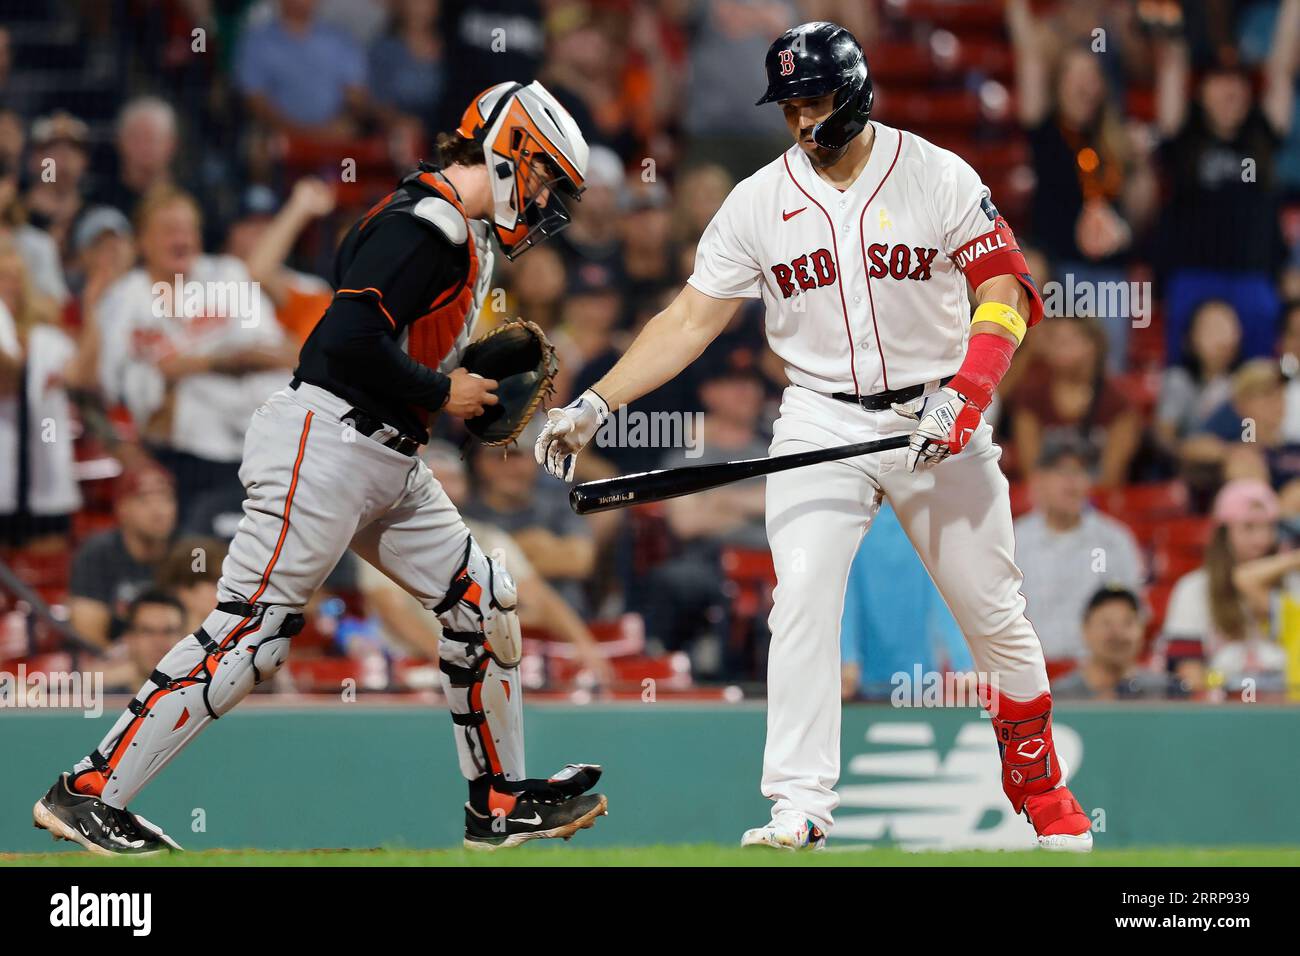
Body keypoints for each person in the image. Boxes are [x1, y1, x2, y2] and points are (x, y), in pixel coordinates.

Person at [536, 22, 1094, 851]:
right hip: (820, 414)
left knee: (995, 614)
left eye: (816, 99)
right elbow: (690, 316)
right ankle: (799, 802)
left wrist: (967, 395)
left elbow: (1006, 289)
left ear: (858, 90)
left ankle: (1039, 782)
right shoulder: (759, 200)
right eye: (791, 103)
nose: (802, 118)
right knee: (799, 596)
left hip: (937, 407)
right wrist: (597, 403)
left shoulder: (936, 173)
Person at [32, 81, 607, 855]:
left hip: (385, 455)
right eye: (541, 177)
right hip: (327, 441)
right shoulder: (429, 222)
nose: (542, 200)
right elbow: (343, 340)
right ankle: (88, 792)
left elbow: (380, 337)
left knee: (484, 600)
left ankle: (498, 802)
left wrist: (447, 384)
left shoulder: (449, 225)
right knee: (253, 630)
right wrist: (444, 387)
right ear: (509, 151)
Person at [359, 443, 613, 685]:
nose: (444, 487)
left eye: (453, 479)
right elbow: (391, 610)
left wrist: (585, 647)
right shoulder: (387, 538)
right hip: (408, 668)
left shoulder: (489, 538)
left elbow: (539, 597)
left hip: (477, 669)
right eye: (435, 479)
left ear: (466, 487)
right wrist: (445, 659)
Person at [1013, 437, 1145, 661]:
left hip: (1095, 673)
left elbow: (1133, 611)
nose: (1072, 482)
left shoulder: (1114, 540)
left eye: (1080, 472)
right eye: (1062, 472)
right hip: (1027, 668)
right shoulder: (1013, 540)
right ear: (1039, 481)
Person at [1158, 479, 1291, 696]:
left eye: (1269, 527)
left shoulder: (1292, 584)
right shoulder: (1194, 588)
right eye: (1248, 527)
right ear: (1223, 533)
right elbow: (1188, 673)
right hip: (1221, 709)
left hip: (1287, 707)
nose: (1262, 539)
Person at [67, 464, 177, 649]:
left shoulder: (191, 553)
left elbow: (206, 621)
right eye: (144, 500)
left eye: (166, 499)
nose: (159, 511)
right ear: (122, 508)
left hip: (180, 666)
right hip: (116, 665)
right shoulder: (97, 553)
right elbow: (87, 636)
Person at [1051, 586, 1164, 701]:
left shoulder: (1163, 693)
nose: (1118, 633)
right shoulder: (1060, 698)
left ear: (1142, 630)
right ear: (1085, 630)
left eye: (1127, 623)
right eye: (1106, 623)